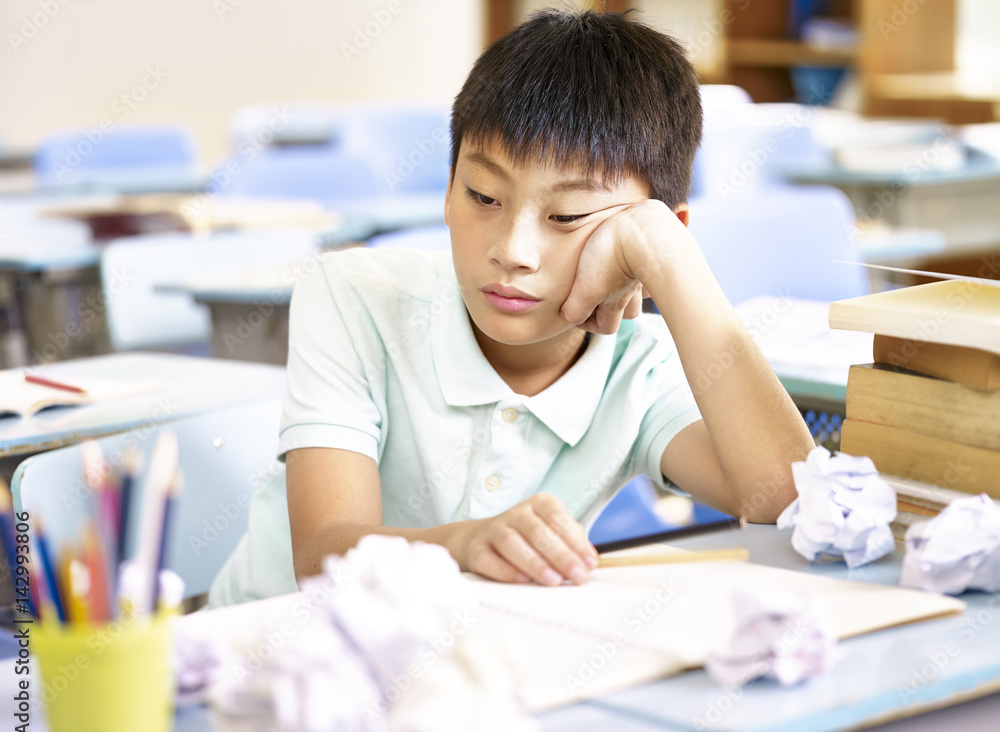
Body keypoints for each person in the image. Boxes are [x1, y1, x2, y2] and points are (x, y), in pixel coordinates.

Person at [208, 8, 814, 607]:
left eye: (568, 217)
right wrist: (464, 546)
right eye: (484, 196)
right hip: (257, 659)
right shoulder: (354, 295)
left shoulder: (641, 370)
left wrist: (672, 262)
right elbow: (324, 554)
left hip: (449, 667)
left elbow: (790, 501)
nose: (512, 251)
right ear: (448, 191)